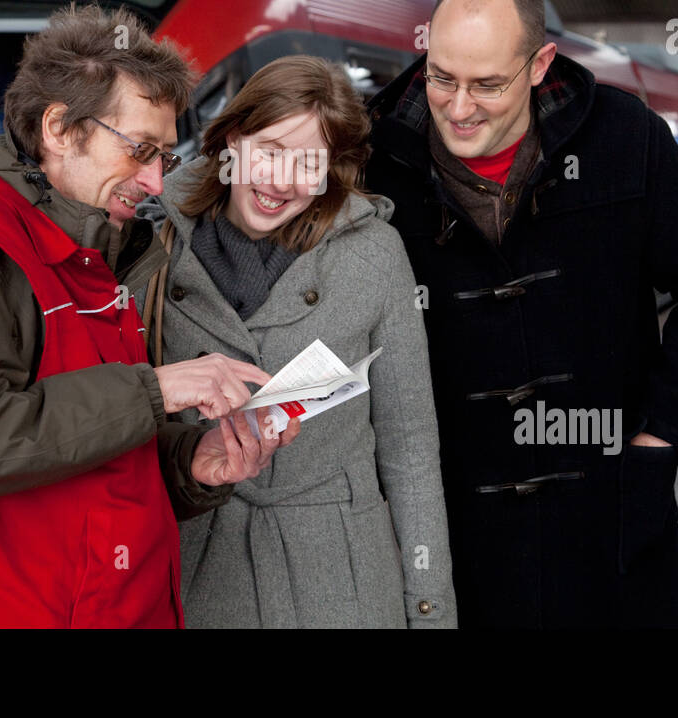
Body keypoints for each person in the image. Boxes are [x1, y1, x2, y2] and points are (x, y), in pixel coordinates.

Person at [0, 3, 297, 629]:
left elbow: (88, 457)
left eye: (164, 158)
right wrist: (157, 388)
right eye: (139, 150)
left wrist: (194, 464)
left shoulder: (91, 254)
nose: (155, 181)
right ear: (60, 129)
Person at [364, 0, 678, 628]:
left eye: (488, 84)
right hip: (451, 538)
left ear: (541, 63)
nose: (458, 108)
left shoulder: (622, 137)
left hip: (608, 525)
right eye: (441, 77)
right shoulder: (376, 158)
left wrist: (663, 437)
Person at [141, 55, 457, 628]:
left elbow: (409, 444)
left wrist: (430, 611)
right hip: (192, 567)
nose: (282, 181)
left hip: (343, 581)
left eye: (310, 161)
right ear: (232, 141)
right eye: (270, 150)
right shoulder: (152, 243)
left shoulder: (374, 253)